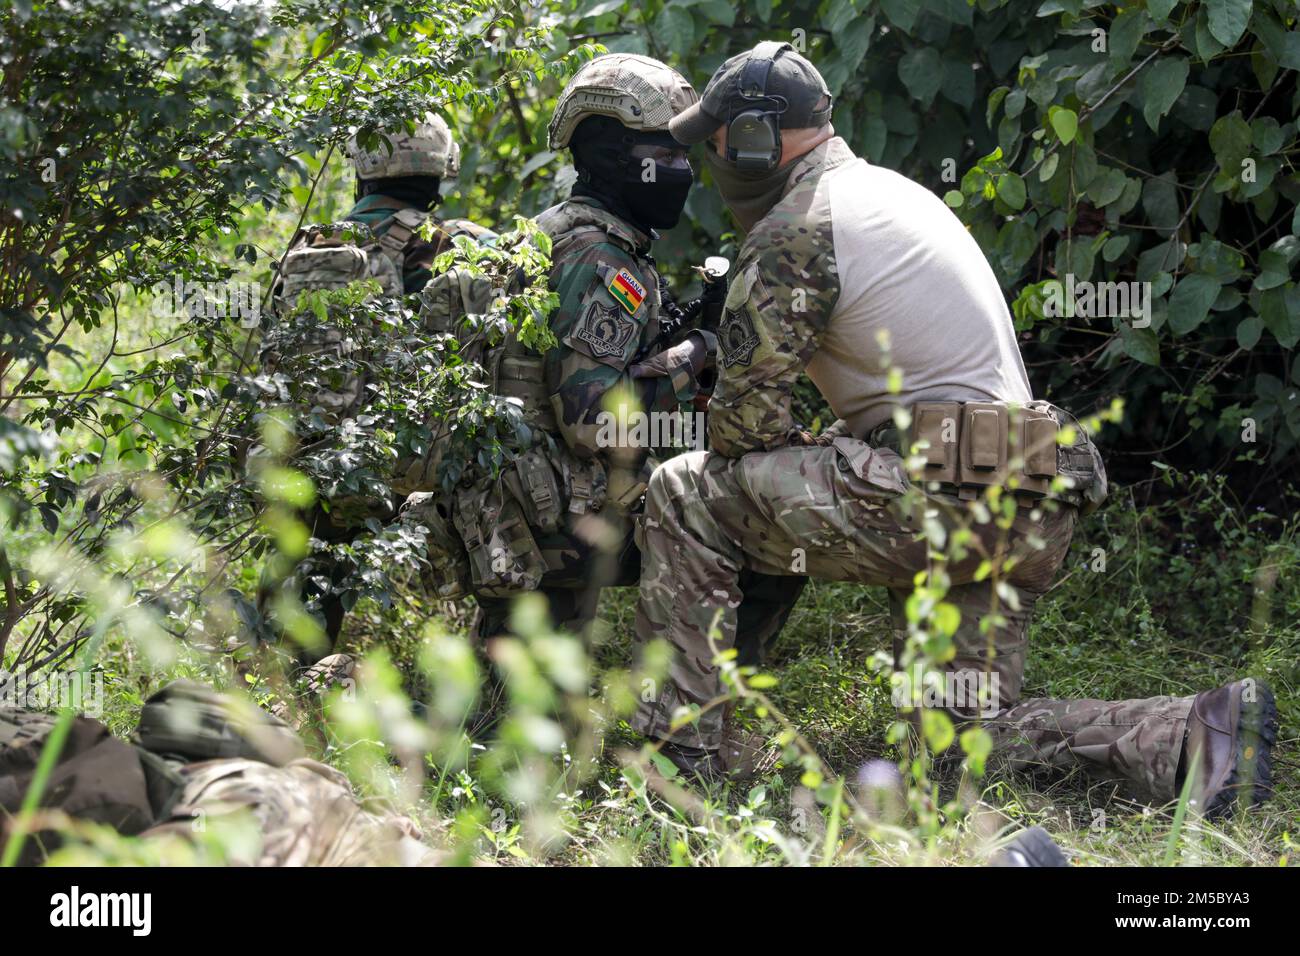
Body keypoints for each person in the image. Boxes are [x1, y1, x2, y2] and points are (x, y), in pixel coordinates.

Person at [628, 41, 1276, 817]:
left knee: (685, 489)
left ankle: (680, 758)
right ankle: (1191, 734)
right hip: (1026, 497)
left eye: (721, 138)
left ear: (760, 137)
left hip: (941, 496)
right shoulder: (895, 194)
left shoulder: (795, 228)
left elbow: (740, 430)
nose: (716, 158)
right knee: (955, 740)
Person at [449, 53, 804, 661]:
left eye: (683, 157)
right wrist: (702, 348)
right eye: (664, 157)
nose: (681, 172)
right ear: (615, 161)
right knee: (772, 526)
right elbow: (595, 424)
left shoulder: (548, 232)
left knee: (517, 703)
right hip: (552, 515)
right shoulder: (600, 259)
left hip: (508, 498)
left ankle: (515, 659)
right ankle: (698, 692)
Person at [260, 112, 496, 659]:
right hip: (419, 469)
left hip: (312, 458)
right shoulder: (459, 244)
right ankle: (494, 689)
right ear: (441, 173)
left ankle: (279, 686)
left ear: (362, 170)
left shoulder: (315, 244)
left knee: (299, 596)